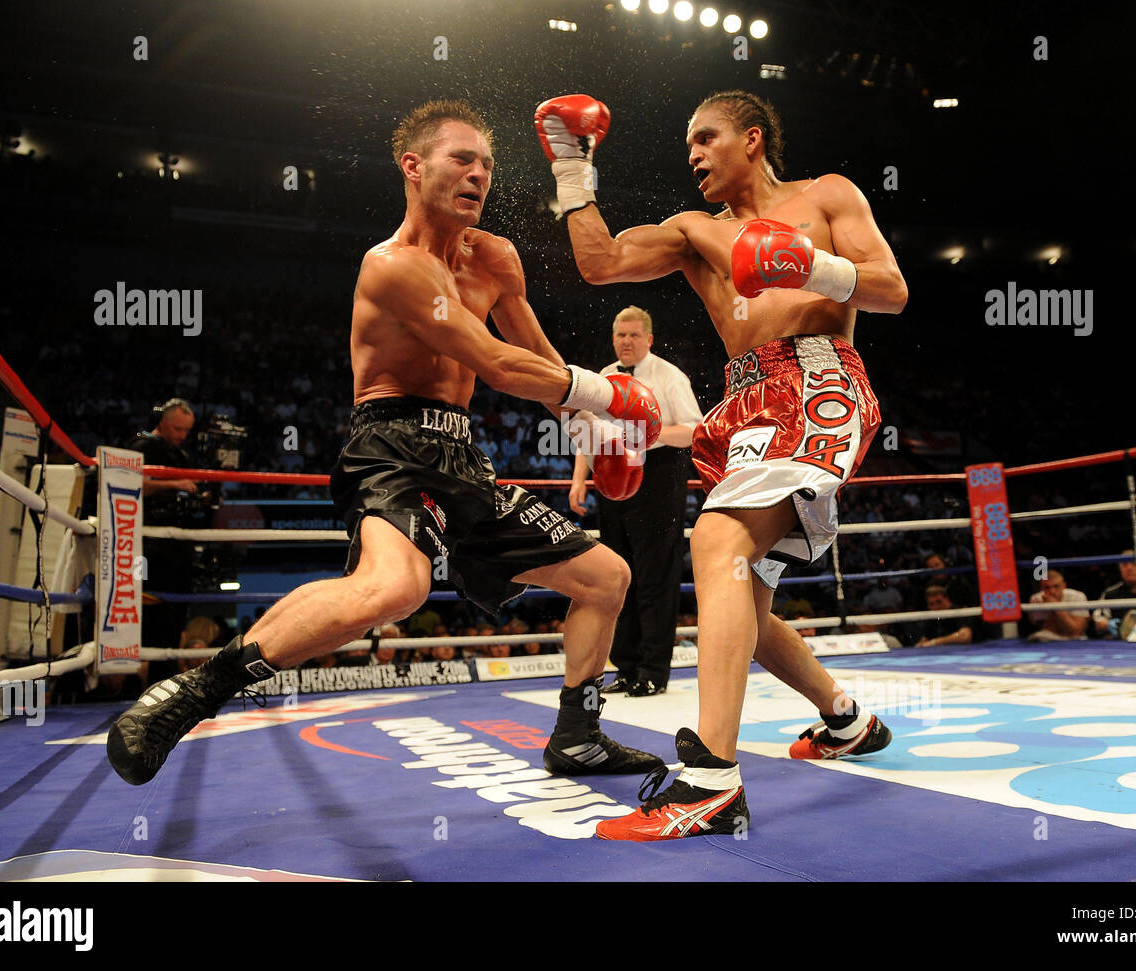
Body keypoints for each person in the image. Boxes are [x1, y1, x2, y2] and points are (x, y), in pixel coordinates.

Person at [108, 99, 666, 787]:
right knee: (394, 588)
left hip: (465, 454)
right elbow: (494, 362)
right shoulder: (391, 267)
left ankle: (578, 736)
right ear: (413, 165)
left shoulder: (496, 256)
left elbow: (534, 352)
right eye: (462, 159)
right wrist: (607, 395)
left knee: (606, 577)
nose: (479, 175)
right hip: (393, 446)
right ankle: (197, 689)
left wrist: (586, 421)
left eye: (487, 163)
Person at [535, 90, 908, 839]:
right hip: (742, 407)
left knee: (716, 543)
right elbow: (601, 263)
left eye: (706, 139)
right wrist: (574, 171)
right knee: (751, 604)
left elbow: (892, 290)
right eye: (687, 145)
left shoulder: (826, 196)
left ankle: (710, 782)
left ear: (753, 137)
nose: (694, 155)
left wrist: (813, 266)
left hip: (818, 379)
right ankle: (847, 720)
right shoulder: (694, 231)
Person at [569, 305, 703, 697]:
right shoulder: (604, 378)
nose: (626, 342)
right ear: (613, 338)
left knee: (655, 575)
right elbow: (587, 427)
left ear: (649, 339)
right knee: (618, 573)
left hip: (659, 476)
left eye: (634, 335)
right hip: (612, 478)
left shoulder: (669, 376)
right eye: (620, 335)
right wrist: (580, 478)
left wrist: (648, 434)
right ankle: (626, 667)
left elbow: (695, 430)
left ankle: (652, 671)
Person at [126, 398, 206, 652]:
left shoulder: (179, 453)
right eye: (177, 429)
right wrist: (174, 484)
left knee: (174, 611)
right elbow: (132, 484)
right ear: (163, 422)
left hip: (174, 542)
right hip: (147, 540)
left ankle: (167, 668)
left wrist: (200, 498)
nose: (182, 435)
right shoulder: (143, 446)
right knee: (150, 606)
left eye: (186, 430)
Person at [1027, 570, 1090, 641]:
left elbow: (1076, 632)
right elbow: (1045, 629)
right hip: (1048, 640)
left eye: (1056, 586)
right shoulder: (1036, 599)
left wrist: (1056, 606)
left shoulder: (1077, 597)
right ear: (1042, 588)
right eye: (1047, 587)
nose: (1052, 591)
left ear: (1064, 586)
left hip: (1076, 641)